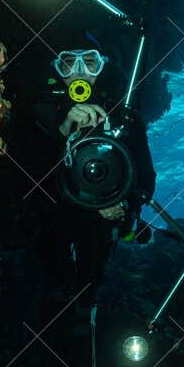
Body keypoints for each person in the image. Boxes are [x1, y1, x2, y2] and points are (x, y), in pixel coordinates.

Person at [25, 39, 155, 319]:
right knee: (52, 280)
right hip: (51, 218)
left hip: (99, 223)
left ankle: (85, 315)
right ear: (57, 70)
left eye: (91, 62)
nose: (81, 72)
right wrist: (61, 132)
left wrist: (123, 207)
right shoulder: (38, 114)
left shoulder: (125, 119)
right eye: (70, 63)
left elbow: (146, 180)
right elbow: (22, 182)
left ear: (103, 68)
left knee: (89, 283)